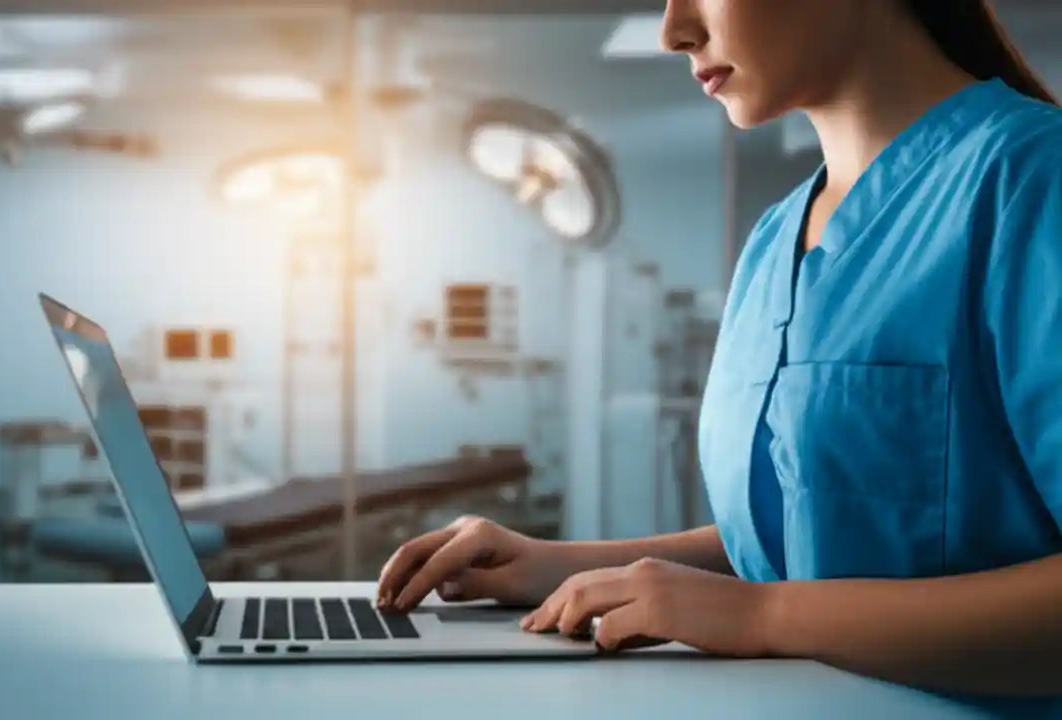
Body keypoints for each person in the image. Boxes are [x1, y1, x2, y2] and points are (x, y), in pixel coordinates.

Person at [376, 0, 1062, 698]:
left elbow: (780, 599)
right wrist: (548, 565)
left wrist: (762, 617)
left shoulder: (1034, 181)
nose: (674, 31)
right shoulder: (774, 238)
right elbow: (797, 542)